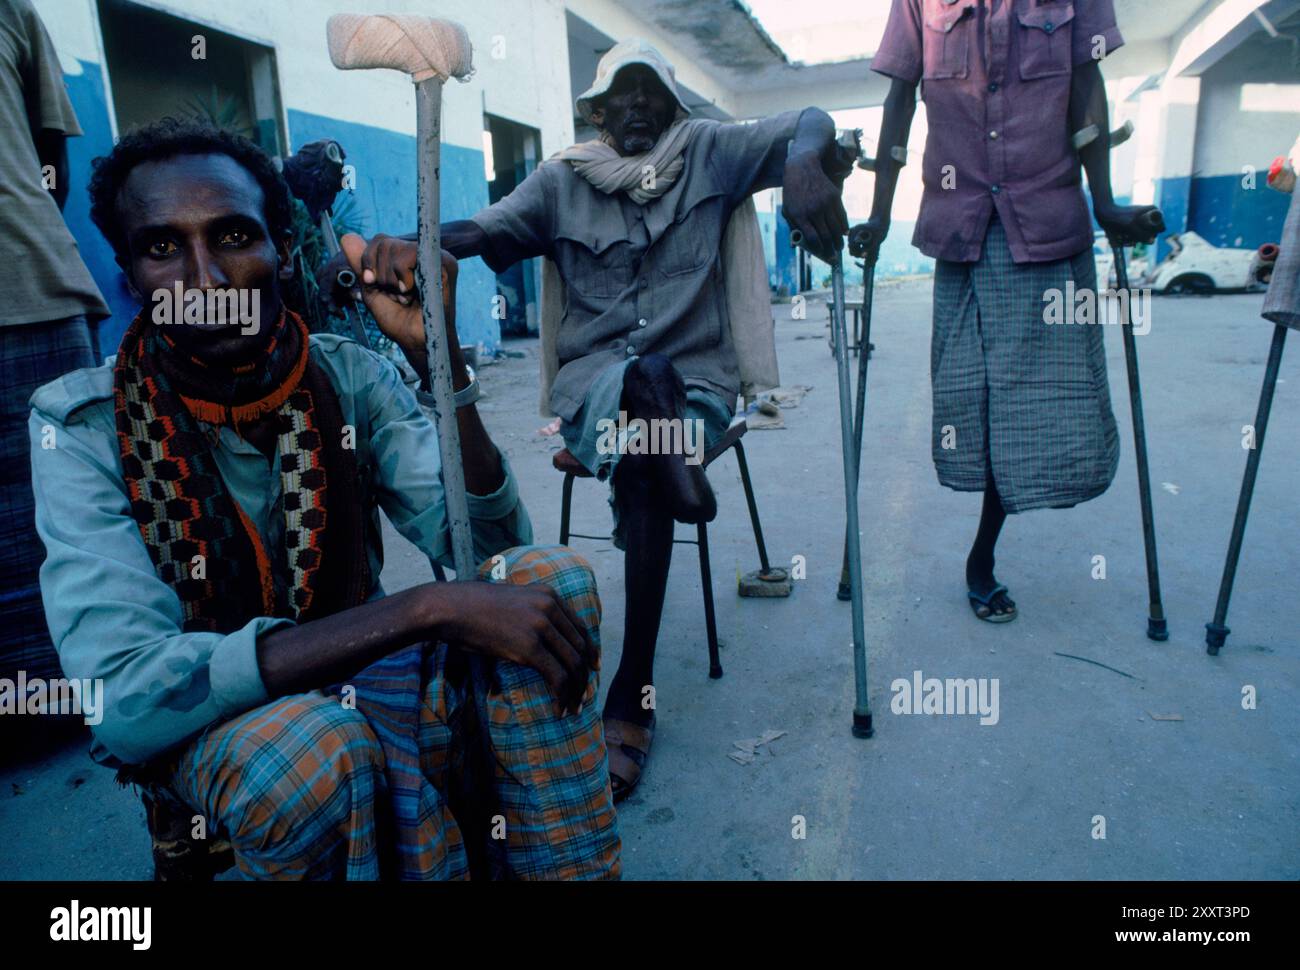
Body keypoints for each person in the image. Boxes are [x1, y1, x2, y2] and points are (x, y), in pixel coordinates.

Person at [28, 118, 619, 880]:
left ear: (281, 245)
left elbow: (492, 546)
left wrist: (437, 358)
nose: (205, 281)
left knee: (550, 583)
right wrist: (421, 609)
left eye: (235, 236)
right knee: (313, 754)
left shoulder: (344, 377)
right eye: (164, 248)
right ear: (130, 272)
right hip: (215, 716)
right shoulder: (79, 426)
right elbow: (127, 692)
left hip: (363, 666)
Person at [345, 38, 850, 800]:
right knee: (645, 423)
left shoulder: (710, 151)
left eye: (652, 91)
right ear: (600, 113)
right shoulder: (561, 180)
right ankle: (633, 689)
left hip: (700, 392)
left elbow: (807, 117)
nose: (639, 105)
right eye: (624, 94)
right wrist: (404, 247)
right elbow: (483, 235)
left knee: (649, 441)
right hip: (592, 396)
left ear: (673, 106)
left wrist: (807, 163)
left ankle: (634, 686)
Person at [854, 0, 1163, 623]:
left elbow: (1088, 82)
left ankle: (982, 555)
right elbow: (899, 101)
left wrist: (1106, 203)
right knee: (973, 399)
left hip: (1047, 226)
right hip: (961, 229)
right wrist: (881, 214)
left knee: (1041, 402)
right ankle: (981, 555)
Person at [0, 0, 110, 693]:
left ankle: (83, 686)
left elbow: (52, 167)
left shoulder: (10, 11)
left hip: (28, 284)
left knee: (77, 515)